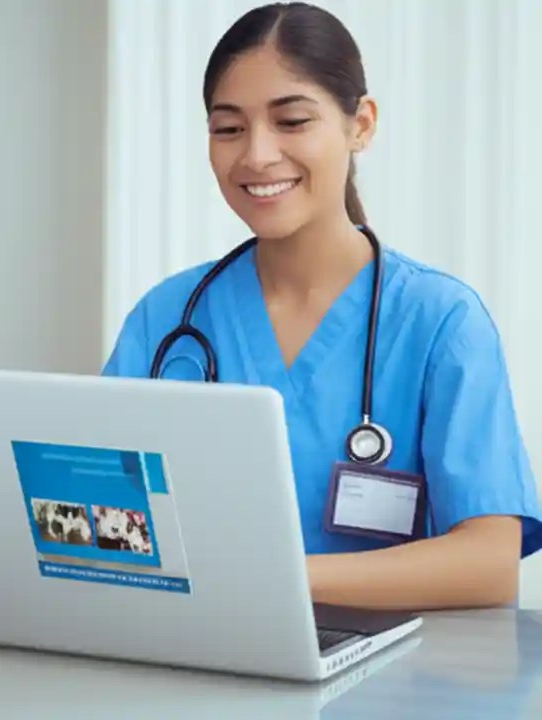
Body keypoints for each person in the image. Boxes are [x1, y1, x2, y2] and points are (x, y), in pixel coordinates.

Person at [102, 2, 542, 611]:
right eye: (228, 129)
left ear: (360, 124)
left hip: (397, 685)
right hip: (195, 663)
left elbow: (489, 564)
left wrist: (274, 579)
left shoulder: (440, 321)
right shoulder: (167, 318)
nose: (256, 155)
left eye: (291, 121)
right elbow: (103, 519)